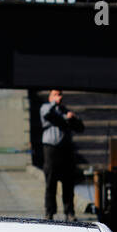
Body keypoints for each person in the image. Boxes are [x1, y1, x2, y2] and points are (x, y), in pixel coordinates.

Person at [40, 90, 83, 221]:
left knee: (68, 183)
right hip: (51, 149)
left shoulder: (66, 111)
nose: (59, 97)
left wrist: (72, 118)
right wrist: (55, 104)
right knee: (50, 182)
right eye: (56, 94)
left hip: (66, 150)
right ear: (50, 97)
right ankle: (50, 212)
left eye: (60, 94)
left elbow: (80, 128)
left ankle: (69, 212)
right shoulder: (46, 107)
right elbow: (48, 115)